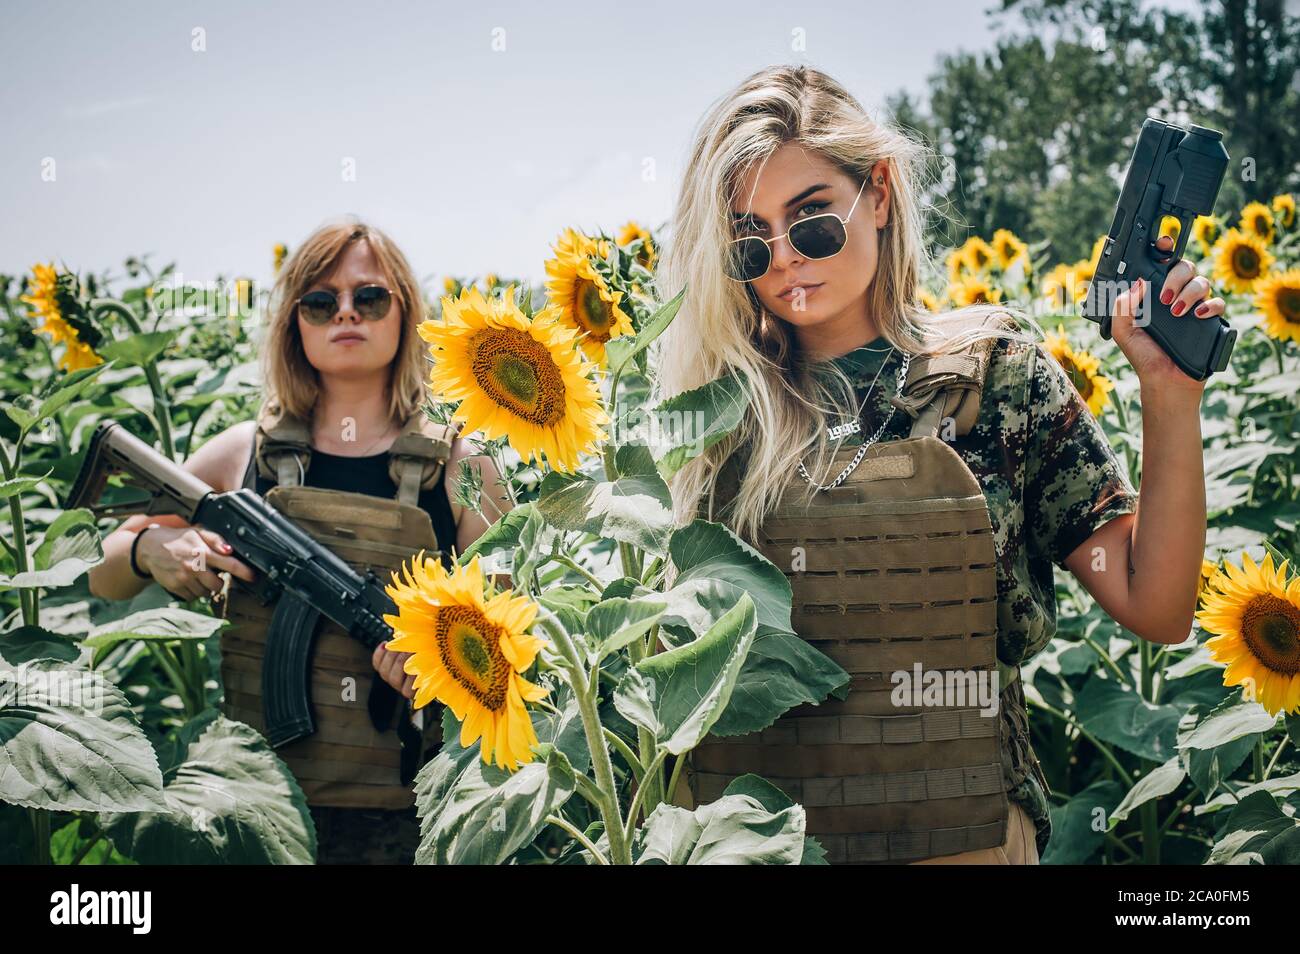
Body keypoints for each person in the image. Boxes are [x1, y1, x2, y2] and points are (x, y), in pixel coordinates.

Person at [655, 65, 1222, 865]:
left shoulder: (996, 372)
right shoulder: (710, 416)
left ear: (879, 193)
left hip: (959, 841)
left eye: (813, 223)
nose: (784, 259)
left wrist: (1169, 396)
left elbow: (1156, 605)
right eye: (750, 241)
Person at [88, 218, 513, 863]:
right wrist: (151, 551)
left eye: (369, 297)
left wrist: (439, 665)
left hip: (410, 814)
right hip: (256, 806)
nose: (346, 313)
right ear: (295, 324)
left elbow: (510, 647)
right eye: (320, 301)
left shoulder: (461, 464)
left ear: (405, 313)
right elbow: (102, 574)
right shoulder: (244, 454)